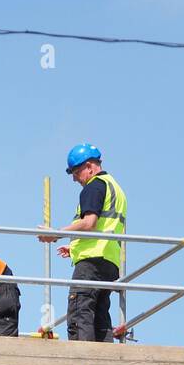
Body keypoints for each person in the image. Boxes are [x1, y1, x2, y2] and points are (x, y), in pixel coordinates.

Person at [38, 144, 127, 342]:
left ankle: (83, 363)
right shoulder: (114, 187)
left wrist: (56, 234)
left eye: (76, 172)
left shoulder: (94, 186)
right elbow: (105, 227)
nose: (74, 178)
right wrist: (74, 247)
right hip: (109, 263)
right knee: (100, 319)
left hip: (91, 264)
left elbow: (90, 223)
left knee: (80, 312)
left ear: (89, 166)